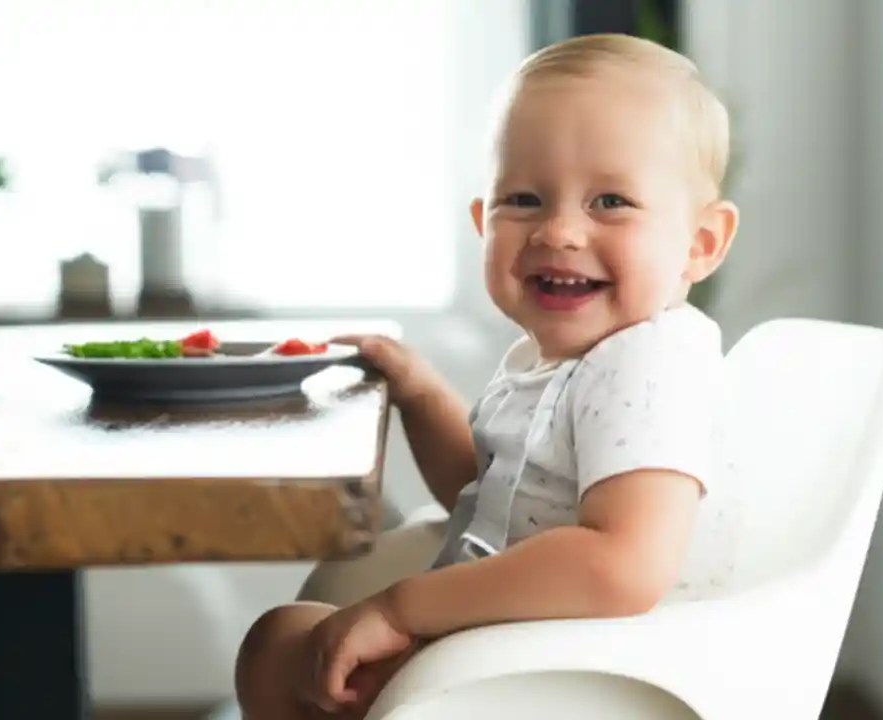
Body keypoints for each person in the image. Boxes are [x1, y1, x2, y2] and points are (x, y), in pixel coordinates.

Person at [234, 32, 741, 719]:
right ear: (483, 221)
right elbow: (486, 497)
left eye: (611, 202)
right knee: (301, 633)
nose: (559, 231)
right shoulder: (571, 359)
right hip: (526, 645)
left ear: (700, 243)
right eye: (525, 199)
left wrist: (403, 609)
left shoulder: (647, 367)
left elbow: (621, 566)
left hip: (566, 673)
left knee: (282, 646)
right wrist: (418, 392)